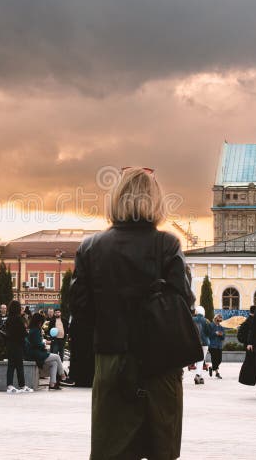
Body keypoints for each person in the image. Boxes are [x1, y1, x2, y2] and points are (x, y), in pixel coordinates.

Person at [70, 167, 194, 460]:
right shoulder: (168, 244)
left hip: (111, 364)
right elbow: (184, 303)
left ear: (116, 198)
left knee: (110, 450)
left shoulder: (90, 247)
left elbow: (80, 309)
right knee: (160, 450)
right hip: (159, 366)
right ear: (156, 200)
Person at [25, 312, 70, 390]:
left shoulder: (34, 329)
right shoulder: (35, 330)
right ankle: (63, 376)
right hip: (35, 354)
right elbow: (37, 344)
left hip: (36, 352)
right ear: (39, 322)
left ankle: (52, 383)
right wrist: (45, 343)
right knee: (56, 356)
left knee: (54, 363)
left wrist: (43, 343)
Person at [4, 300, 32, 393]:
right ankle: (21, 385)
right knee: (19, 366)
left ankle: (10, 385)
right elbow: (23, 333)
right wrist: (26, 332)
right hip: (17, 345)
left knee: (11, 366)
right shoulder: (18, 319)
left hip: (10, 344)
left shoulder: (9, 318)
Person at [192, 306, 212, 385]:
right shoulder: (206, 321)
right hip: (204, 343)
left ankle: (200, 377)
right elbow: (208, 332)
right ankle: (197, 375)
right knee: (201, 359)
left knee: (199, 360)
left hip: (194, 343)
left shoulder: (192, 320)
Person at [208, 314, 225, 379]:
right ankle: (217, 373)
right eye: (218, 320)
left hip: (219, 346)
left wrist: (221, 335)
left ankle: (212, 368)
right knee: (214, 359)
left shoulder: (221, 327)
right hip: (212, 345)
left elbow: (223, 337)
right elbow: (208, 335)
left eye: (220, 321)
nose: (219, 322)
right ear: (215, 319)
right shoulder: (211, 325)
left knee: (219, 360)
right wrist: (215, 333)